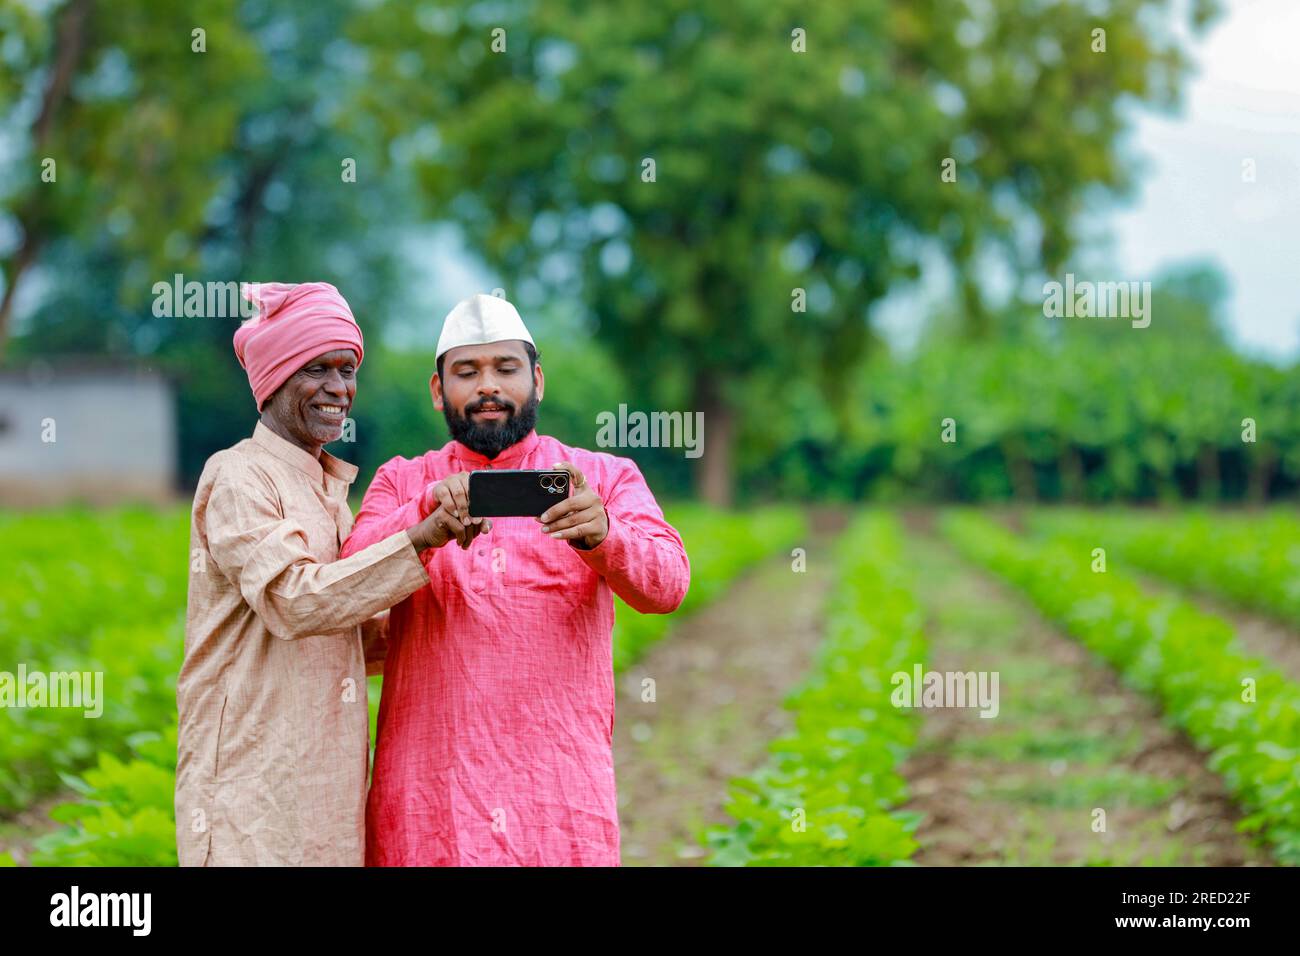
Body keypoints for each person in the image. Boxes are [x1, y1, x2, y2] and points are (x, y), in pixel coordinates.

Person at [340, 293, 690, 866]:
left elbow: (669, 583)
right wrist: (424, 521)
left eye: (506, 368)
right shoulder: (404, 481)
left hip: (558, 796)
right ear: (437, 390)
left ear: (538, 380)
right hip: (429, 799)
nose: (487, 387)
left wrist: (605, 536)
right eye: (466, 372)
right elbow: (349, 580)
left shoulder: (602, 478)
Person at [175, 281, 489, 866]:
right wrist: (421, 538)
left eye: (347, 370)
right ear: (273, 380)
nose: (338, 390)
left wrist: (485, 615)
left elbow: (352, 635)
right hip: (250, 782)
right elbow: (298, 601)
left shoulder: (328, 490)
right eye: (317, 369)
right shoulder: (239, 476)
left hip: (326, 785)